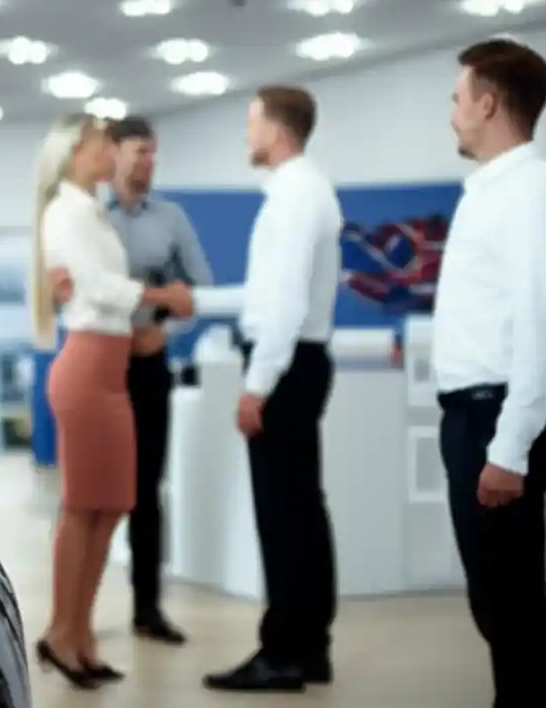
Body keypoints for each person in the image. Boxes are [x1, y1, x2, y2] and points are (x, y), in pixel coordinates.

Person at [30, 112, 192, 689]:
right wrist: (157, 294)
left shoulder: (90, 211)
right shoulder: (65, 212)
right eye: (103, 143)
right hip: (87, 370)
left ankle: (80, 631)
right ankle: (60, 632)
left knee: (112, 504)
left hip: (110, 370)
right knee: (83, 507)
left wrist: (137, 302)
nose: (114, 152)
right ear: (78, 151)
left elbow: (95, 286)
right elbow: (95, 288)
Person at [203, 85, 342, 693]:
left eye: (251, 123)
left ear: (278, 131)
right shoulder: (305, 189)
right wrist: (196, 301)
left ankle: (282, 650)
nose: (246, 135)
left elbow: (282, 305)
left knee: (283, 517)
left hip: (283, 369)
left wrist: (257, 385)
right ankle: (310, 647)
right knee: (303, 513)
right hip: (302, 363)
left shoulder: (293, 195)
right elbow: (268, 294)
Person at [433, 38, 546, 708]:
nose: (451, 113)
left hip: (495, 418)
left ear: (486, 103)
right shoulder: (493, 190)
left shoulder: (528, 191)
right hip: (475, 414)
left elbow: (543, 327)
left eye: (457, 99)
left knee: (510, 607)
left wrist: (509, 449)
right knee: (500, 604)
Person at [104, 115, 212, 644]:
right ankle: (74, 616)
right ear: (115, 155)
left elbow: (198, 290)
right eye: (140, 151)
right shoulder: (88, 218)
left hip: (147, 368)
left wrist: (162, 329)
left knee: (147, 490)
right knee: (92, 493)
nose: (148, 162)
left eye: (153, 153)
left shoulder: (171, 219)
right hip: (98, 368)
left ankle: (147, 609)